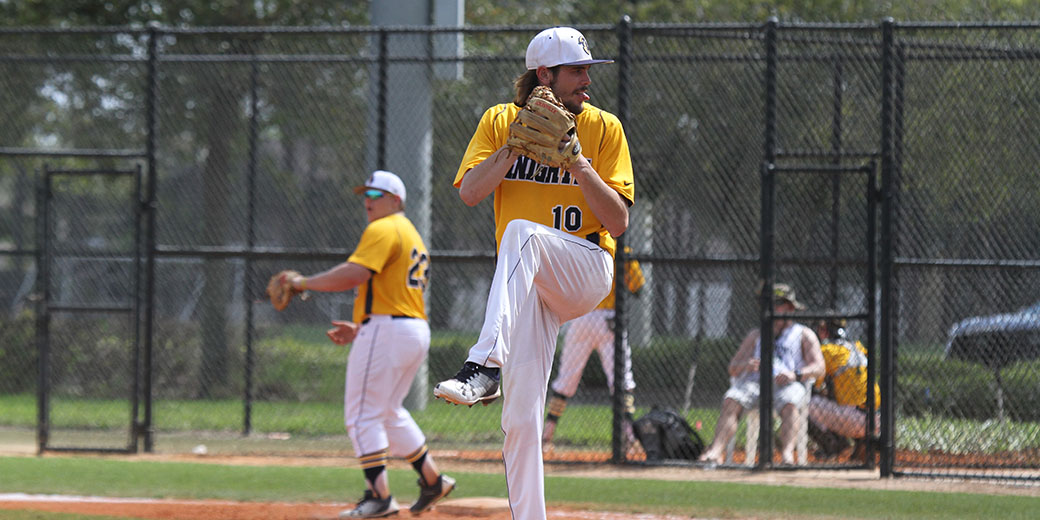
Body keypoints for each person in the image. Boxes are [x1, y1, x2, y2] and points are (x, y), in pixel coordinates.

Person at [432, 26, 634, 519]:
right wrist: (515, 148)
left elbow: (619, 221)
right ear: (544, 74)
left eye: (588, 70)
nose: (587, 80)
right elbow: (470, 192)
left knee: (521, 232)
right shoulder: (501, 120)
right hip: (532, 289)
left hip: (586, 270)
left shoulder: (604, 127)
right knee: (521, 419)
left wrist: (578, 162)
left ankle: (482, 366)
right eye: (576, 70)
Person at [273, 170, 454, 518]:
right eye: (365, 196)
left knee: (361, 416)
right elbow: (391, 290)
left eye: (376, 196)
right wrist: (360, 328)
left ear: (396, 200)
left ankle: (379, 497)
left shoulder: (384, 228)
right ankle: (433, 480)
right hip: (411, 329)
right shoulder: (411, 234)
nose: (367, 203)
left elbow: (356, 273)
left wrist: (303, 283)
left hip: (388, 331)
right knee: (388, 413)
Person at [696, 283, 825, 466]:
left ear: (789, 307)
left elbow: (819, 367)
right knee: (731, 400)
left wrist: (795, 374)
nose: (771, 308)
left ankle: (787, 455)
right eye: (769, 303)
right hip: (755, 384)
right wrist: (746, 365)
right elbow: (732, 367)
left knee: (790, 403)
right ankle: (716, 452)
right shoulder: (756, 334)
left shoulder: (803, 334)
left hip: (786, 384)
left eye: (777, 303)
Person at [542, 249, 645, 452]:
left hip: (580, 316)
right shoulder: (621, 250)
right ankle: (630, 438)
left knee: (565, 380)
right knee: (622, 380)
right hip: (609, 318)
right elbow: (638, 289)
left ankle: (546, 437)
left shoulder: (578, 242)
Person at [808, 318, 882, 460]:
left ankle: (834, 447)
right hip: (877, 419)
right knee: (843, 397)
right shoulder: (857, 347)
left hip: (852, 419)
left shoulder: (827, 350)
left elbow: (814, 386)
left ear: (824, 331)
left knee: (805, 403)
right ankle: (862, 445)